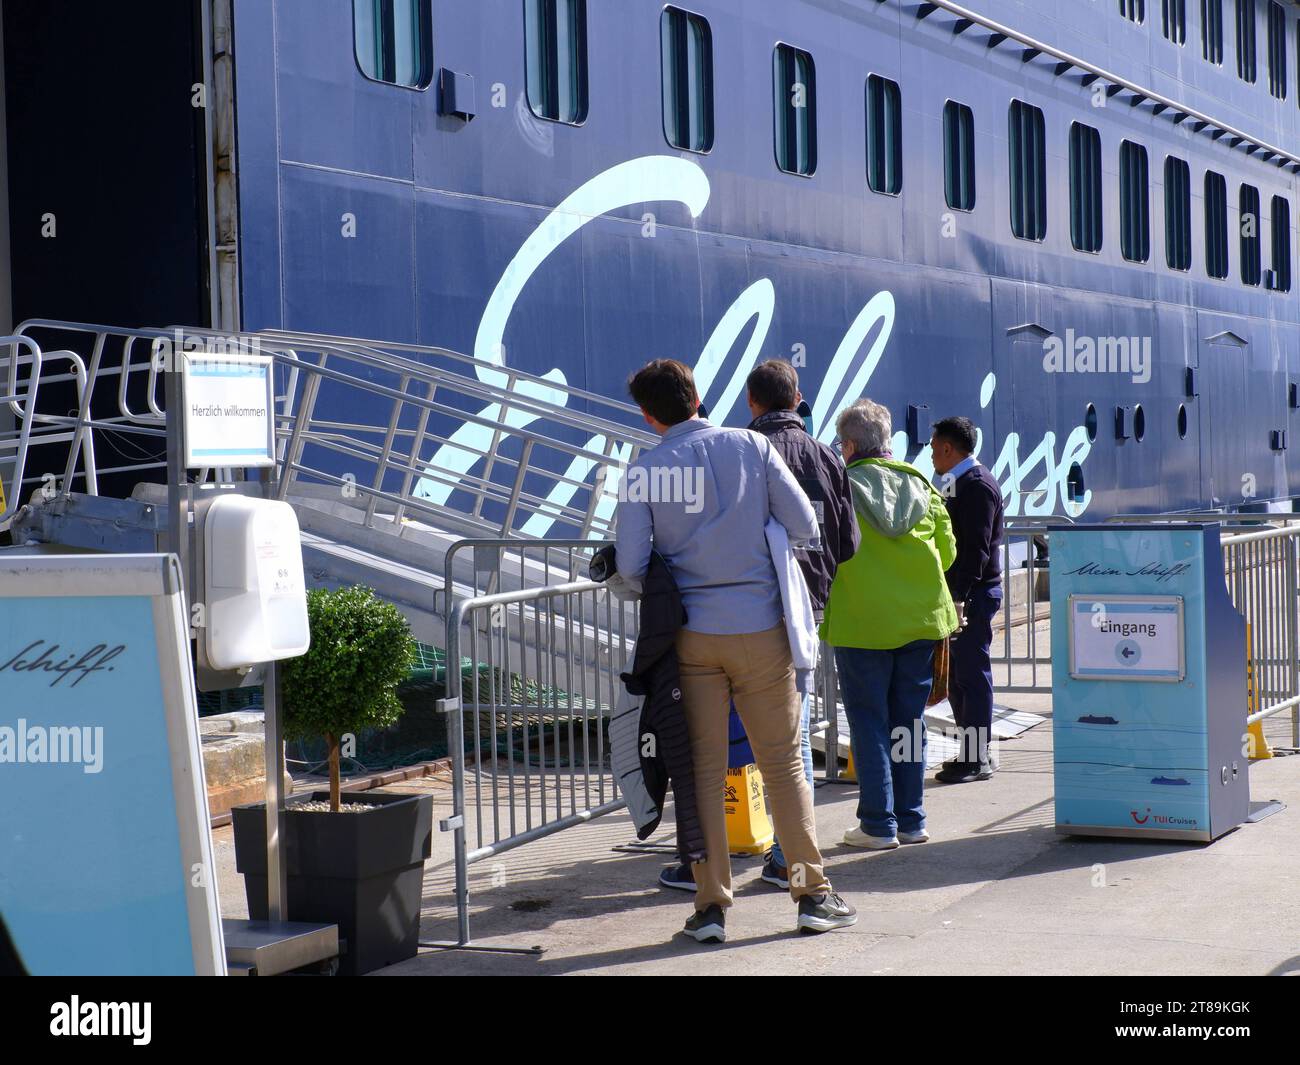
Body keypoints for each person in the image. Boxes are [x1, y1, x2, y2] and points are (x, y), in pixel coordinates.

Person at [615, 359, 857, 942]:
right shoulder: (753, 446)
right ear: (697, 397)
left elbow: (630, 566)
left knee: (701, 771)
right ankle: (811, 895)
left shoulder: (645, 470)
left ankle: (711, 907)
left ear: (649, 416)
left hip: (692, 638)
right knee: (784, 766)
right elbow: (804, 524)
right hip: (763, 631)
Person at [821, 399, 959, 849]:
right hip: (920, 620)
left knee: (869, 722)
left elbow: (826, 551)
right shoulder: (921, 485)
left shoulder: (840, 487)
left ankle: (878, 825)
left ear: (850, 445)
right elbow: (949, 552)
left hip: (862, 623)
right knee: (909, 723)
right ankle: (911, 819)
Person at [929, 416, 1005, 783]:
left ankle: (977, 758)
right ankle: (973, 753)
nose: (930, 456)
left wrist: (959, 596)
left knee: (971, 676)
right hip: (964, 593)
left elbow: (974, 549)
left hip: (971, 594)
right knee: (960, 676)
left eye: (933, 448)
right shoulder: (960, 483)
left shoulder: (975, 486)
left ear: (947, 448)